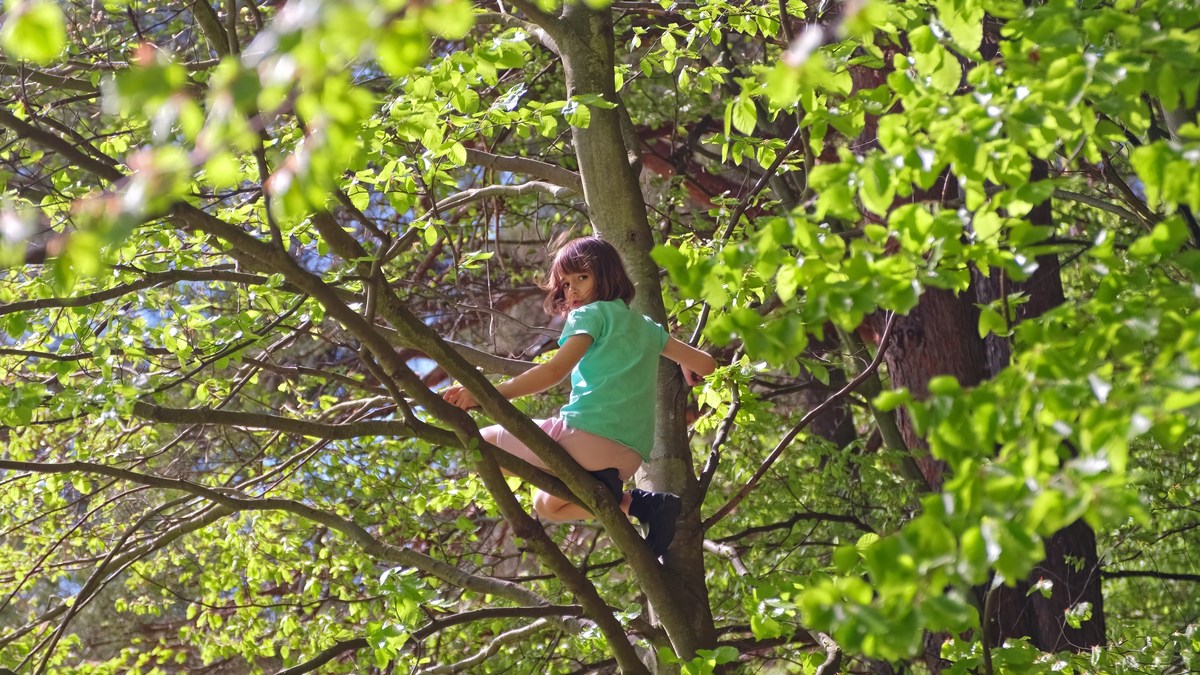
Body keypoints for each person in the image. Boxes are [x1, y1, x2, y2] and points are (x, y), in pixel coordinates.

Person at [443, 236, 717, 558]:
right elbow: (708, 364)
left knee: (480, 444)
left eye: (581, 278)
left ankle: (602, 485)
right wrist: (685, 361)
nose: (572, 291)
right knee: (546, 504)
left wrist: (483, 395)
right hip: (628, 457)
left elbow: (552, 372)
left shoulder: (589, 315)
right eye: (565, 284)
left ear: (608, 275)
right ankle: (641, 504)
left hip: (587, 438)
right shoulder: (645, 327)